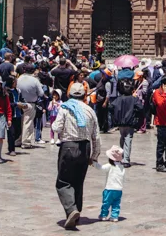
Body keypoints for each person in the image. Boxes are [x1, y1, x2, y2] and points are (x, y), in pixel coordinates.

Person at [52, 82, 100, 230]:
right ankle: (76, 211)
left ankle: (71, 210)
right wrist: (94, 155)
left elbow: (56, 127)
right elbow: (96, 136)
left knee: (63, 182)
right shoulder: (89, 110)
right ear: (85, 95)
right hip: (84, 148)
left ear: (69, 94)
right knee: (78, 181)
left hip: (68, 147)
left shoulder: (65, 108)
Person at [112, 76, 141, 166]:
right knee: (128, 139)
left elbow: (111, 107)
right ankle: (126, 159)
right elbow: (140, 107)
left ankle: (121, 156)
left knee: (122, 137)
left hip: (120, 122)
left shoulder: (119, 99)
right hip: (130, 122)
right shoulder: (133, 99)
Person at [95, 145, 126, 222]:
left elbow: (101, 168)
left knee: (106, 203)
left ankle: (103, 215)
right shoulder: (122, 167)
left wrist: (94, 163)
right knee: (116, 204)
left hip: (109, 189)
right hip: (119, 189)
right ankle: (114, 216)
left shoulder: (110, 165)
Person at [16, 64, 44, 149]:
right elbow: (41, 93)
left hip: (19, 103)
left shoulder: (19, 79)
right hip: (30, 103)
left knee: (20, 123)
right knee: (27, 123)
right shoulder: (35, 80)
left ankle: (18, 140)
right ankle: (26, 142)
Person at [153, 75, 166, 172]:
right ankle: (159, 163)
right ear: (164, 84)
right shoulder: (157, 93)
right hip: (161, 122)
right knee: (161, 144)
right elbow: (161, 105)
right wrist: (165, 94)